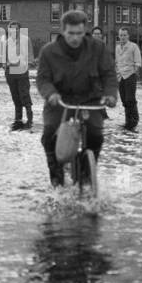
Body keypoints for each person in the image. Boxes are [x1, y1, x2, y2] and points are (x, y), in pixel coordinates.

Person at [36, 10, 118, 187]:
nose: (75, 38)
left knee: (97, 135)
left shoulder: (97, 48)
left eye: (79, 34)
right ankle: (56, 175)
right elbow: (43, 79)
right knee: (49, 134)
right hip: (59, 101)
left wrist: (110, 95)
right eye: (71, 33)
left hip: (90, 99)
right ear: (63, 31)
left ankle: (87, 173)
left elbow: (109, 74)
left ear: (85, 31)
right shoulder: (49, 52)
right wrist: (51, 94)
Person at [114, 26, 142, 131]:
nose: (122, 37)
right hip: (120, 77)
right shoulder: (117, 47)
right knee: (124, 100)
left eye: (124, 35)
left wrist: (134, 73)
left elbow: (138, 62)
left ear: (128, 36)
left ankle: (134, 120)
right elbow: (117, 62)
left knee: (130, 99)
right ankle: (127, 121)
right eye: (121, 35)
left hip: (130, 75)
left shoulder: (134, 46)